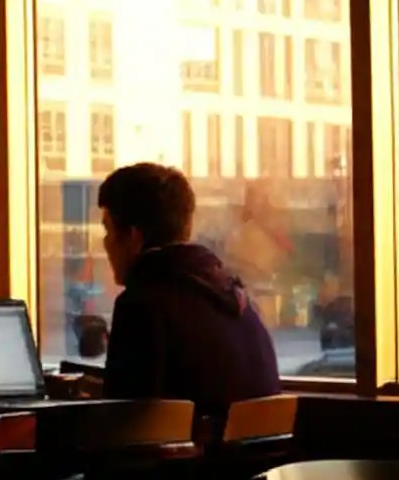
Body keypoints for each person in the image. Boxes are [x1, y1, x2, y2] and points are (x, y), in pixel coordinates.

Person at [98, 162, 279, 416]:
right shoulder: (240, 300)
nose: (104, 243)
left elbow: (125, 424)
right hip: (258, 455)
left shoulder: (142, 305)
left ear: (134, 237)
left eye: (107, 229)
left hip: (192, 455)